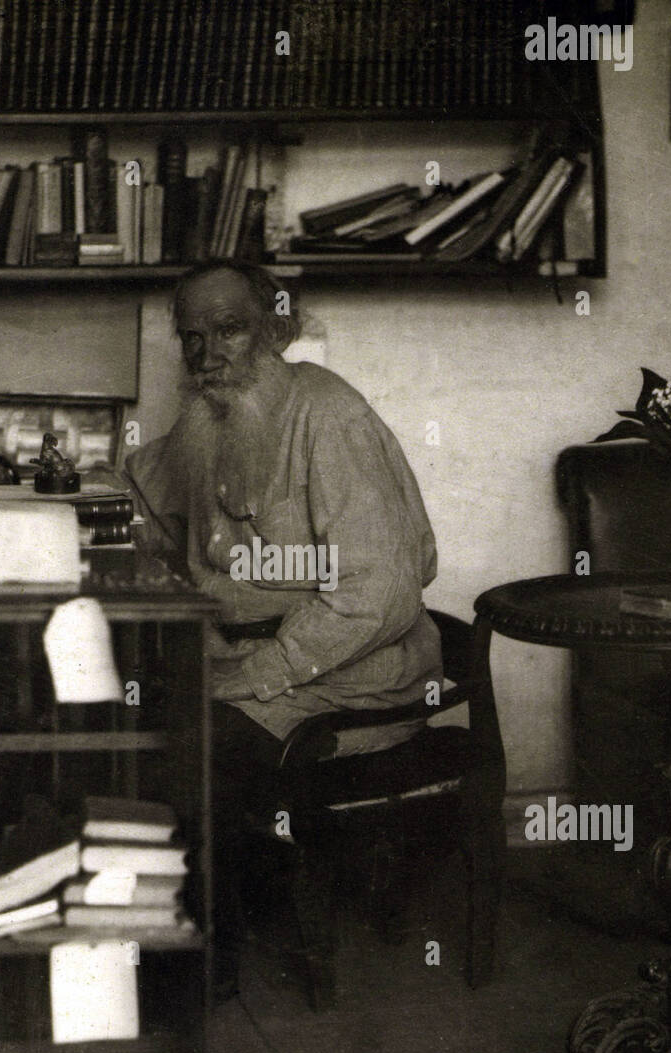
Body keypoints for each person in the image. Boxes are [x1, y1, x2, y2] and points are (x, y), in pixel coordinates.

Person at [124, 260, 441, 996]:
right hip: (253, 658)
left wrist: (259, 672)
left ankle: (199, 973)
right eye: (192, 337)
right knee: (119, 720)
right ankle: (153, 940)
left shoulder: (329, 416)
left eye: (229, 330)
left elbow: (381, 592)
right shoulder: (213, 414)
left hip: (346, 676)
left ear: (274, 329)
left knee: (189, 753)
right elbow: (146, 488)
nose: (208, 355)